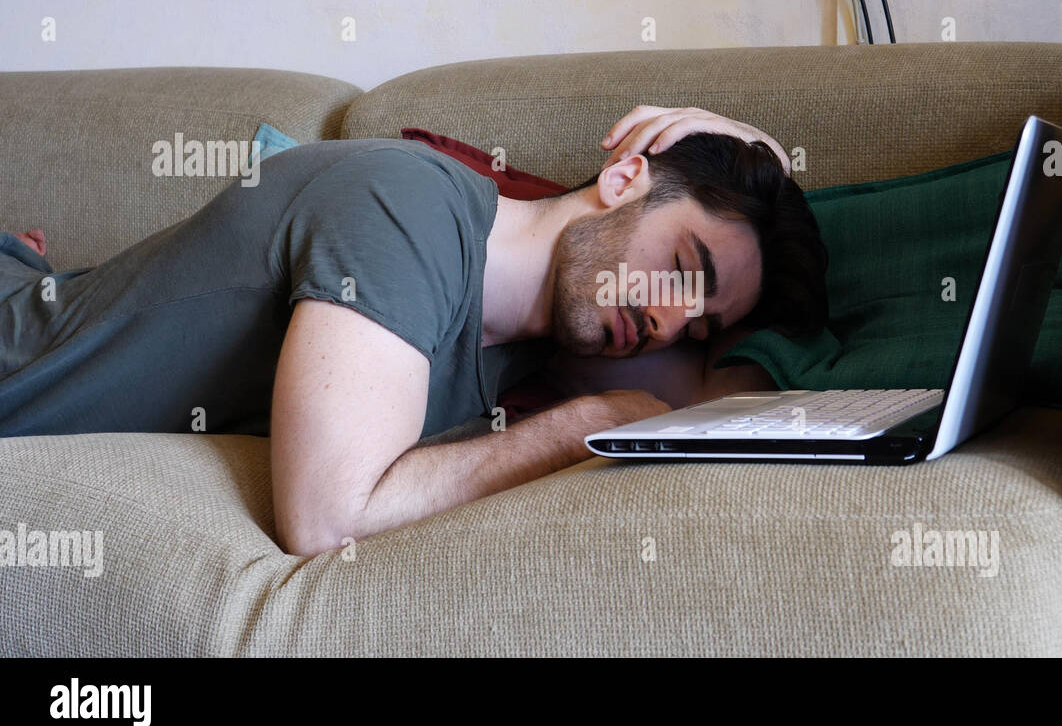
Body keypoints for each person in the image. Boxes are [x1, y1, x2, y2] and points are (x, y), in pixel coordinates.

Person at [0, 106, 828, 556]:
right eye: (686, 267)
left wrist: (755, 149)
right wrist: (585, 426)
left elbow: (733, 400)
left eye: (699, 325)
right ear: (620, 177)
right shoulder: (409, 213)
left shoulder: (550, 331)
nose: (669, 320)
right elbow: (328, 519)